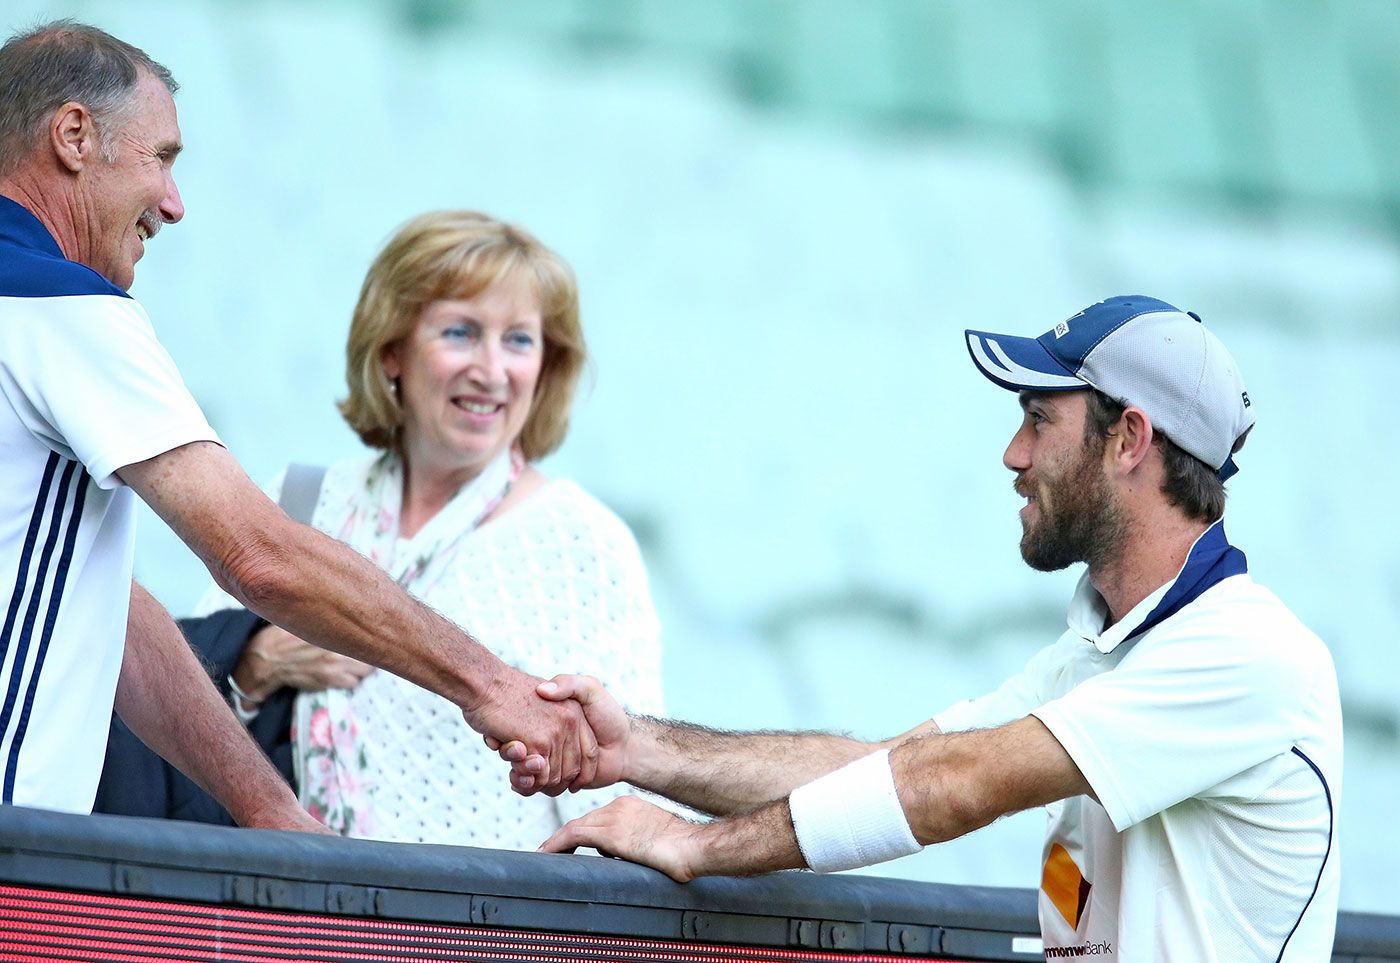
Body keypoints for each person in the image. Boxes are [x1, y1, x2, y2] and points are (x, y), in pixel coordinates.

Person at [516, 297, 1342, 962]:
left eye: (1038, 419)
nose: (1013, 454)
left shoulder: (1247, 653)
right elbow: (884, 770)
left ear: (1128, 439)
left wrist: (696, 845)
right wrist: (637, 749)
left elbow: (953, 784)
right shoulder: (1098, 655)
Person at [0, 20, 595, 824]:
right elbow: (256, 552)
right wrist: (494, 688)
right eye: (161, 159)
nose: (174, 203)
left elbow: (104, 607)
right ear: (73, 136)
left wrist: (270, 810)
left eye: (520, 340)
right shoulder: (61, 306)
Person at [99, 211, 665, 848]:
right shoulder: (301, 501)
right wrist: (257, 665)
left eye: (518, 341)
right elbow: (173, 720)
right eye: (460, 332)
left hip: (484, 906)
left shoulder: (582, 542)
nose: (491, 369)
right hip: (301, 896)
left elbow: (620, 794)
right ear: (393, 351)